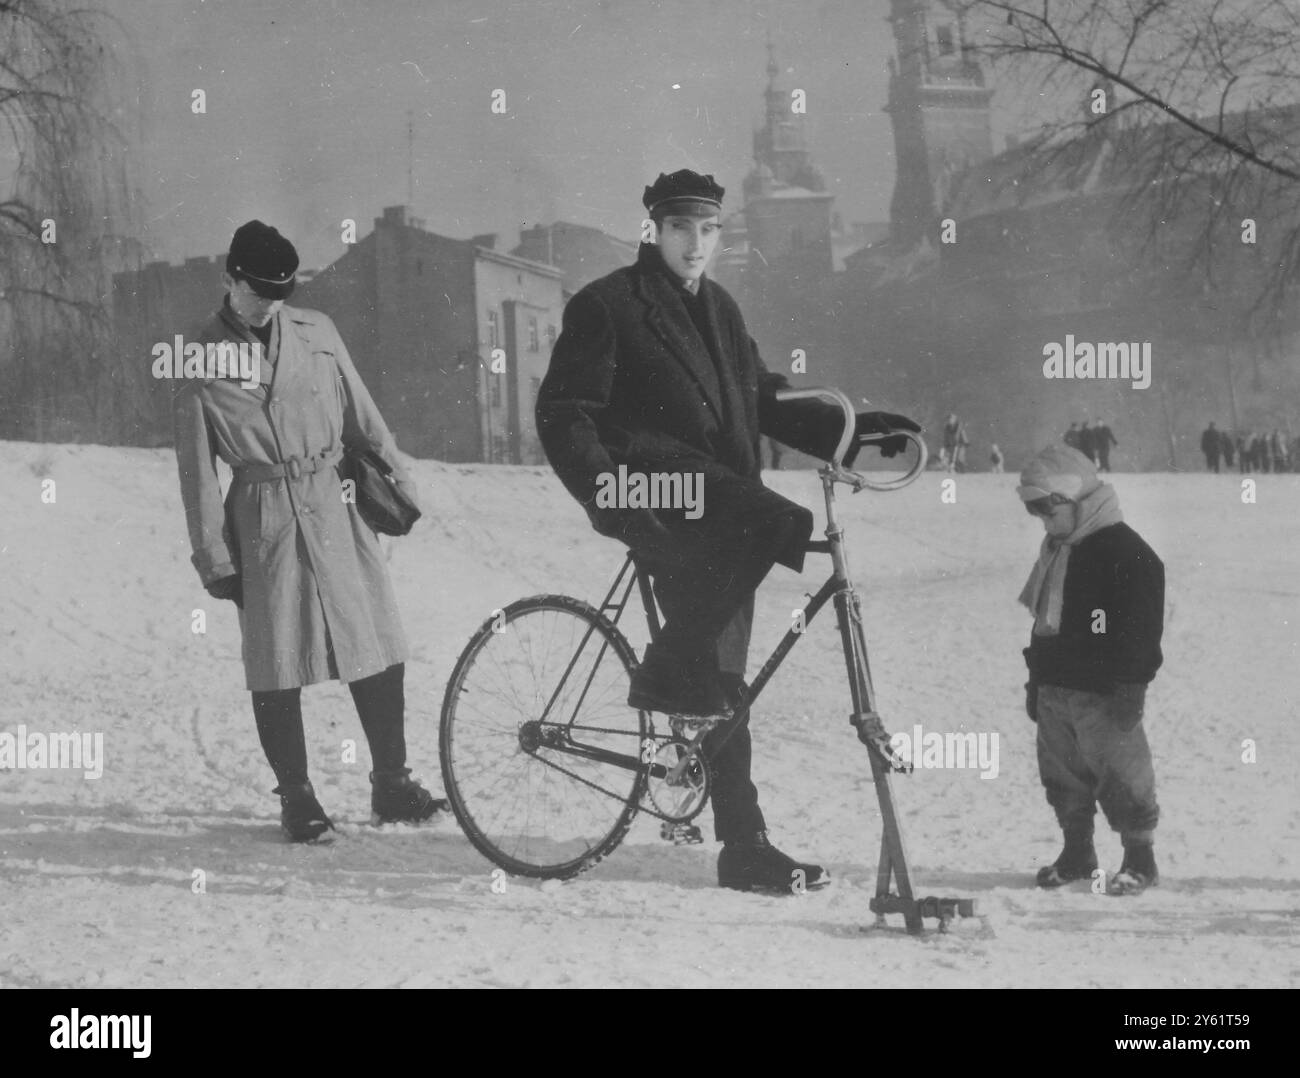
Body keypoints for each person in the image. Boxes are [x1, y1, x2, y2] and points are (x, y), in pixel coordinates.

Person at [536, 170, 920, 894]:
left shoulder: (719, 308)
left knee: (722, 683)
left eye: (709, 229)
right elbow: (565, 412)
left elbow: (766, 399)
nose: (696, 243)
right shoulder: (609, 305)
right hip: (656, 492)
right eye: (682, 227)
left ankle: (743, 845)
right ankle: (669, 664)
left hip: (718, 510)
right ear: (654, 229)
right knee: (777, 521)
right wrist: (610, 497)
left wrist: (853, 429)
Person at [173, 220, 447, 842]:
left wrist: (399, 482)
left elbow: (363, 415)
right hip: (262, 510)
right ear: (230, 279)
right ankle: (297, 798)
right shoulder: (200, 358)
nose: (269, 305)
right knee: (276, 660)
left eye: (280, 293)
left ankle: (393, 785)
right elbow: (196, 471)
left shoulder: (317, 331)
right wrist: (214, 557)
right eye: (257, 291)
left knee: (375, 642)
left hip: (335, 500)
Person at [1017, 446, 1164, 895]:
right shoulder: (1059, 549)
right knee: (1062, 775)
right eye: (1033, 511)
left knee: (1121, 774)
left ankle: (1140, 858)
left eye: (1046, 509)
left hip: (1104, 690)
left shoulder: (1125, 551)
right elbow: (1044, 623)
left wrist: (1131, 686)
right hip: (1057, 686)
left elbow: (1141, 629)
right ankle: (1077, 852)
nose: (1042, 521)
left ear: (1074, 499)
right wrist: (1036, 680)